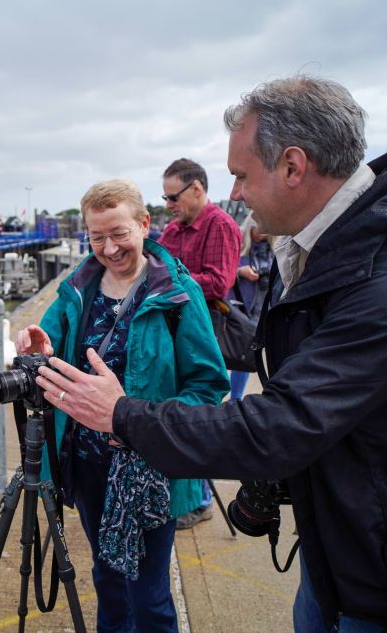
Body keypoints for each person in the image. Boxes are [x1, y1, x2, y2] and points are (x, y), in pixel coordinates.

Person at [32, 76, 387, 632]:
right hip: (347, 543)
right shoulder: (330, 253)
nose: (234, 192)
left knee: (149, 596)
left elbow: (279, 425)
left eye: (240, 175)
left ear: (292, 166)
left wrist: (122, 415)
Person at [15, 178, 227, 632]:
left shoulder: (178, 293)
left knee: (149, 595)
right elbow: (47, 349)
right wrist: (36, 348)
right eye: (96, 237)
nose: (108, 248)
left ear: (145, 224)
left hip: (152, 467)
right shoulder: (77, 289)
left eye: (119, 233)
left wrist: (139, 418)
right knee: (107, 579)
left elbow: (208, 384)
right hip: (88, 463)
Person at [158, 158, 242, 529]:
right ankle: (184, 494)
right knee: (176, 414)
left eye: (173, 196)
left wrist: (171, 278)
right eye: (165, 197)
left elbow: (218, 282)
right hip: (172, 333)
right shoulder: (174, 230)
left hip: (203, 335)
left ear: (196, 189)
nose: (168, 205)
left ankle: (201, 500)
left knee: (200, 417)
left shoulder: (220, 225)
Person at [226, 213, 274, 401]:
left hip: (259, 309)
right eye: (257, 231)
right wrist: (240, 271)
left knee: (244, 356)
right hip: (236, 307)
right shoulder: (236, 244)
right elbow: (223, 274)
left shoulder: (273, 249)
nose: (260, 235)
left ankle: (236, 398)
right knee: (223, 351)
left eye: (264, 232)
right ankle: (217, 394)